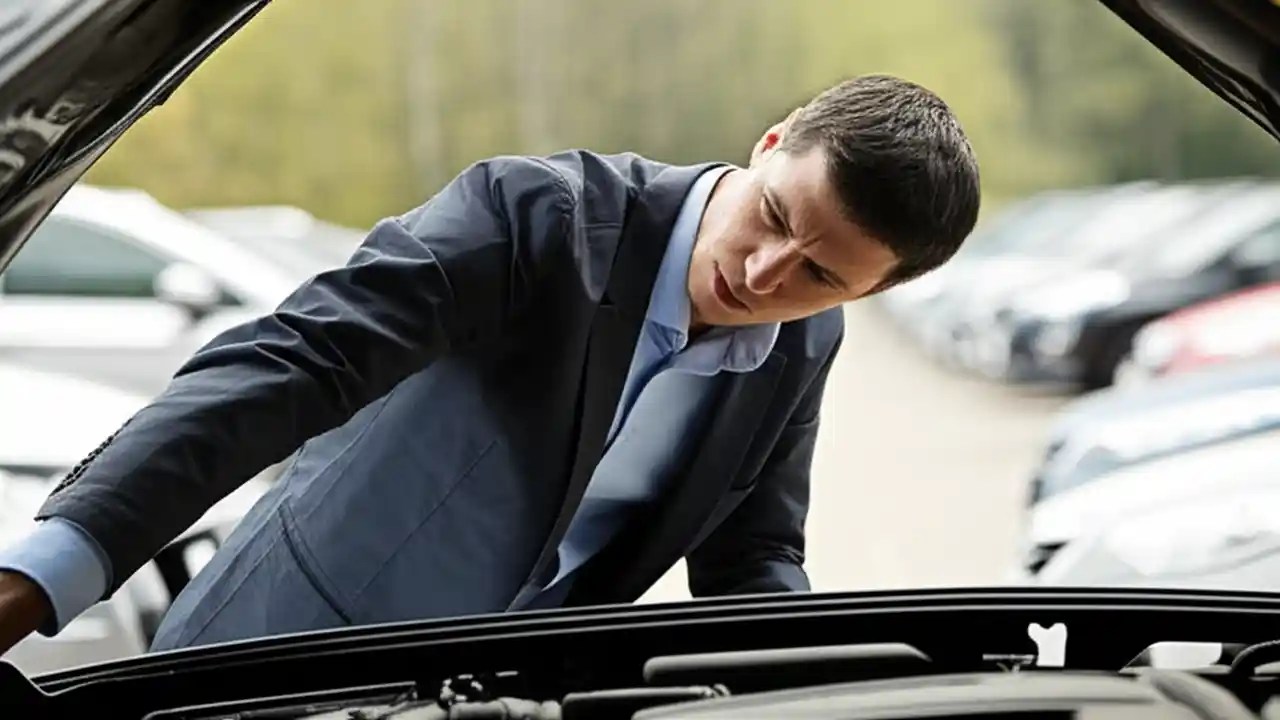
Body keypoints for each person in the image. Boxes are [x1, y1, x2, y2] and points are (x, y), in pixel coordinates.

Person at [0, 74, 980, 655]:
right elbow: (293, 365)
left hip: (504, 692)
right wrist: (52, 567)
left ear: (870, 292)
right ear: (768, 144)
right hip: (278, 651)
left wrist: (825, 672)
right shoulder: (538, 216)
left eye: (817, 273)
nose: (763, 274)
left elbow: (751, 555)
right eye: (771, 216)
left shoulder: (805, 343)